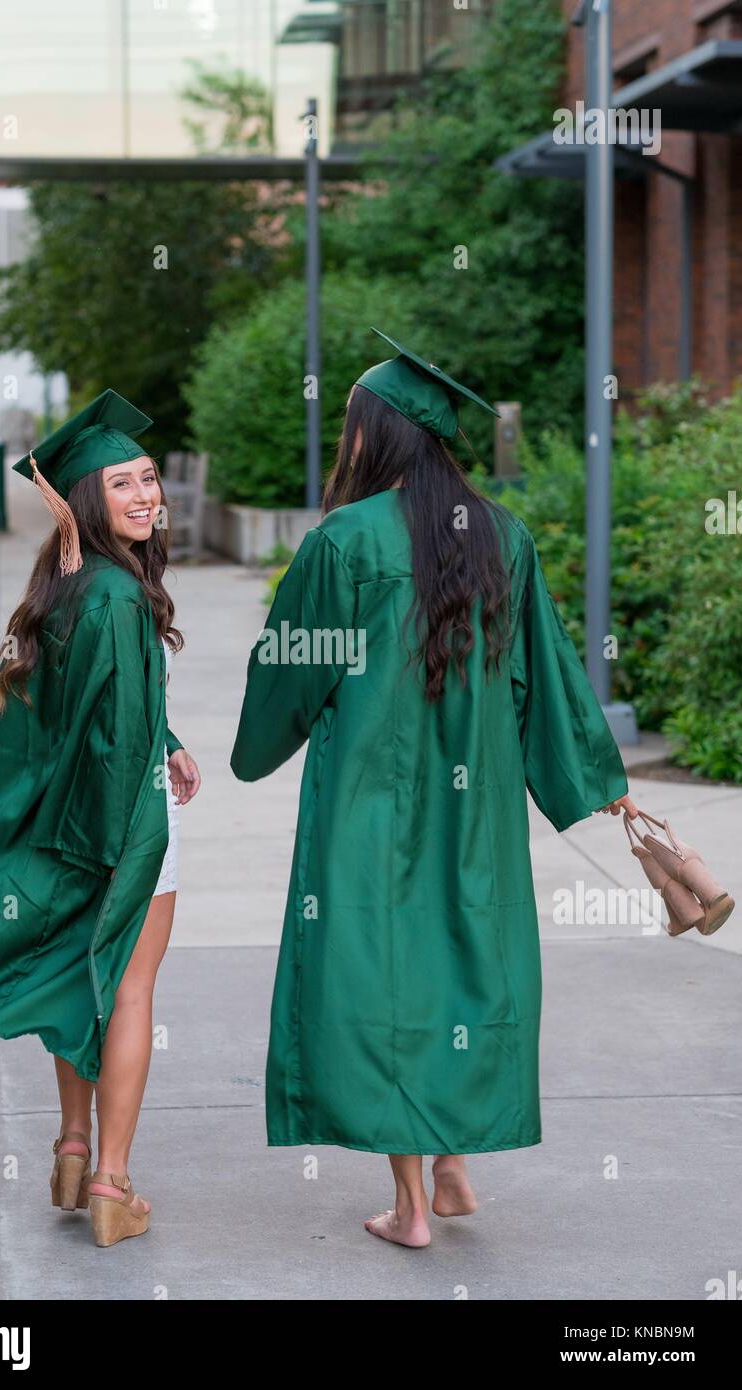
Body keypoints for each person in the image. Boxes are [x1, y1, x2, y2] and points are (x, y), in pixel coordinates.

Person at [230, 329, 636, 1249]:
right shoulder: (505, 537)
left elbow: (293, 671)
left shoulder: (343, 542)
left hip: (368, 811)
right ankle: (452, 1168)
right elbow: (550, 680)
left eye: (353, 425)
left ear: (378, 435)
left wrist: (257, 747)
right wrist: (593, 780)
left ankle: (409, 1207)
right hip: (476, 810)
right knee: (462, 966)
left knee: (385, 978)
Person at [0, 389, 201, 1248]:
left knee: (82, 982)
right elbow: (109, 740)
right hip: (120, 825)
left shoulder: (70, 582)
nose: (147, 495)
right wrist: (122, 851)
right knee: (129, 990)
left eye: (150, 479)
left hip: (73, 823)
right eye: (124, 485)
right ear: (87, 500)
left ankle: (73, 1149)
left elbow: (79, 701)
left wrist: (168, 732)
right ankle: (112, 1183)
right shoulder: (116, 594)